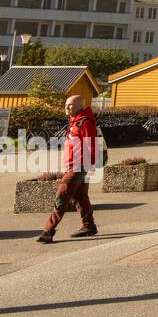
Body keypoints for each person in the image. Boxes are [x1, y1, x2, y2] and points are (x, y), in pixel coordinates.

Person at [36, 94, 99, 243]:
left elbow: (92, 145)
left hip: (79, 167)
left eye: (70, 105)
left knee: (62, 196)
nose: (67, 107)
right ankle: (89, 226)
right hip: (73, 165)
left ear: (80, 106)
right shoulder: (74, 121)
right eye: (66, 105)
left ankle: (48, 231)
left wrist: (90, 164)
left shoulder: (85, 122)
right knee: (80, 197)